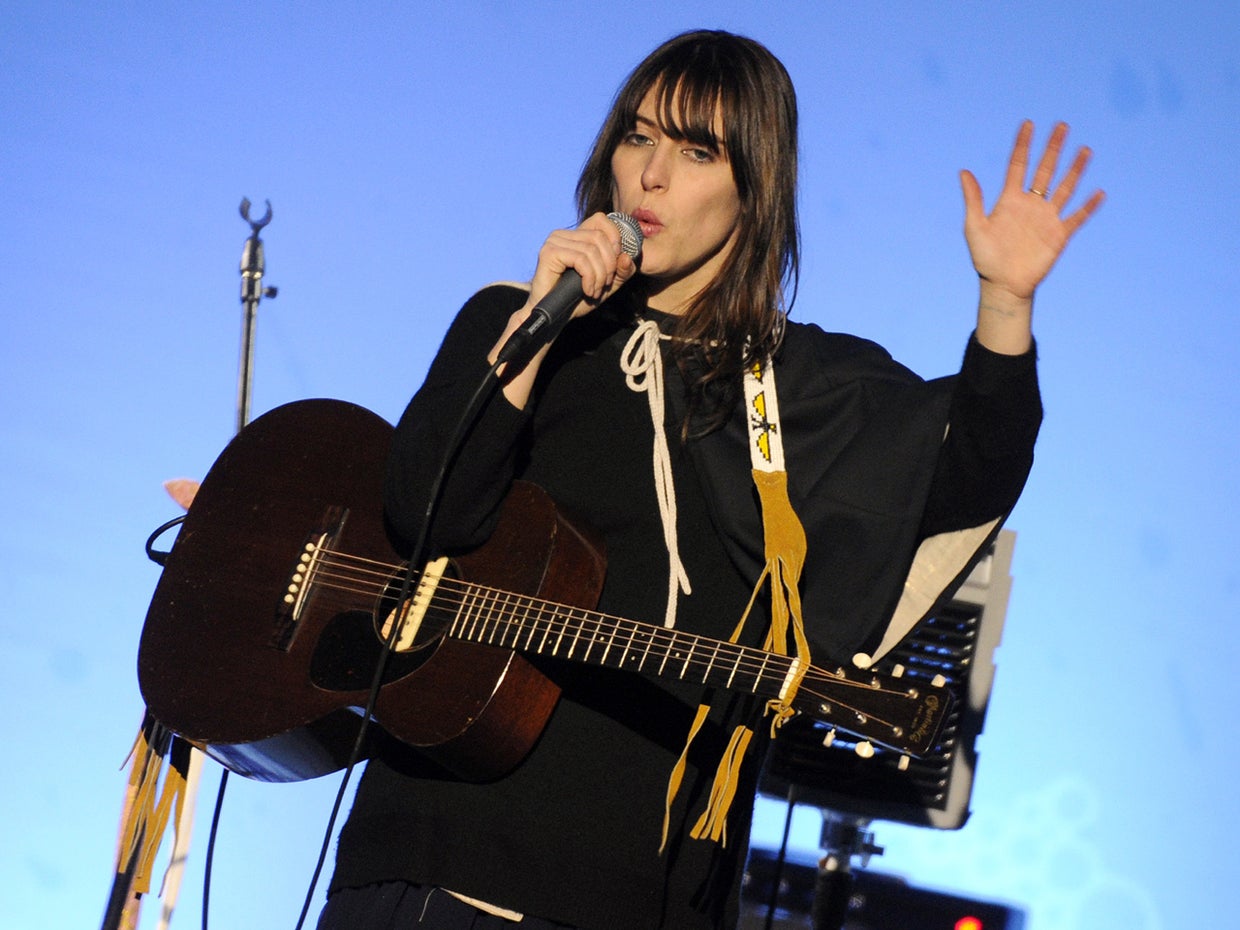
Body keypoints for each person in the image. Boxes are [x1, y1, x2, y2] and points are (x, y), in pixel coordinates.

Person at [316, 29, 1102, 930]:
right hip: (435, 857)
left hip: (646, 889)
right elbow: (427, 510)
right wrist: (538, 317)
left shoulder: (796, 383)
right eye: (638, 137)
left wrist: (1006, 302)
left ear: (753, 189)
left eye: (697, 152)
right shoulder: (517, 321)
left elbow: (969, 469)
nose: (652, 176)